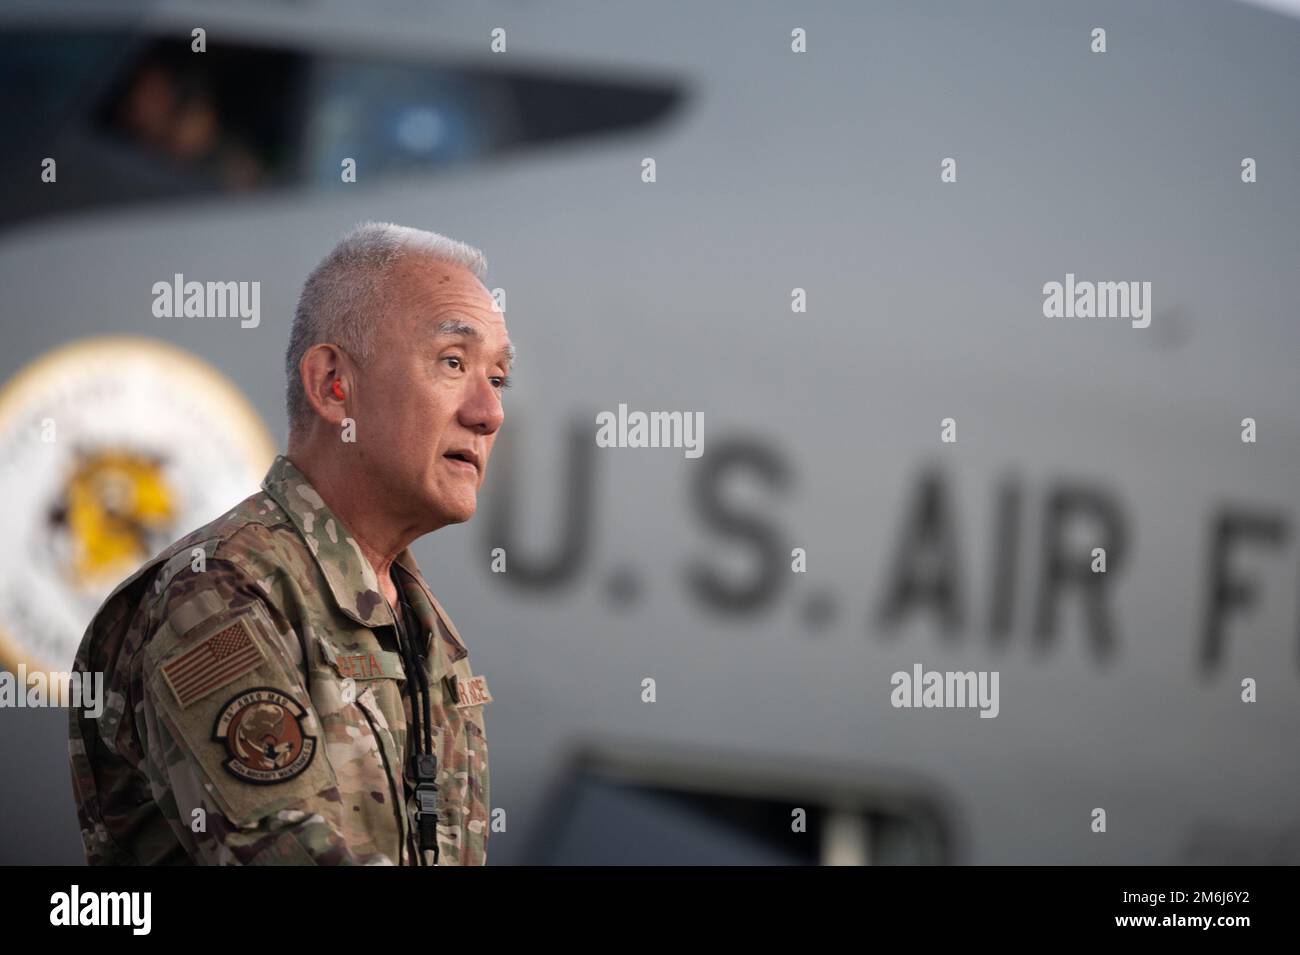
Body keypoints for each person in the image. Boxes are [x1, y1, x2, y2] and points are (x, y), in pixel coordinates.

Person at [67, 222, 512, 864]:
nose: (489, 412)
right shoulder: (219, 594)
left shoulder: (421, 625)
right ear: (334, 384)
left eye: (498, 379)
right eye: (453, 363)